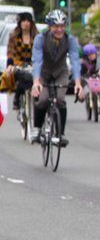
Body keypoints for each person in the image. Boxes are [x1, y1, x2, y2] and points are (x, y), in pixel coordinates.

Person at [30, 10, 83, 146]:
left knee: (60, 100)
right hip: (43, 72)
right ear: (49, 26)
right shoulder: (40, 39)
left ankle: (60, 134)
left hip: (60, 71)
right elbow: (37, 60)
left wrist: (78, 83)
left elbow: (75, 60)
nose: (59, 29)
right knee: (42, 99)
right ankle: (37, 129)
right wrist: (36, 82)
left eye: (62, 26)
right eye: (55, 26)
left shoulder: (70, 39)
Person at [5, 12, 38, 112]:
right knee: (22, 77)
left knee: (36, 77)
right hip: (18, 63)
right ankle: (17, 97)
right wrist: (9, 65)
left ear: (31, 23)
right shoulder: (14, 36)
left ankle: (36, 96)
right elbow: (10, 52)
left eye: (28, 21)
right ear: (20, 23)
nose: (26, 23)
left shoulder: (37, 36)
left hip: (33, 63)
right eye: (23, 21)